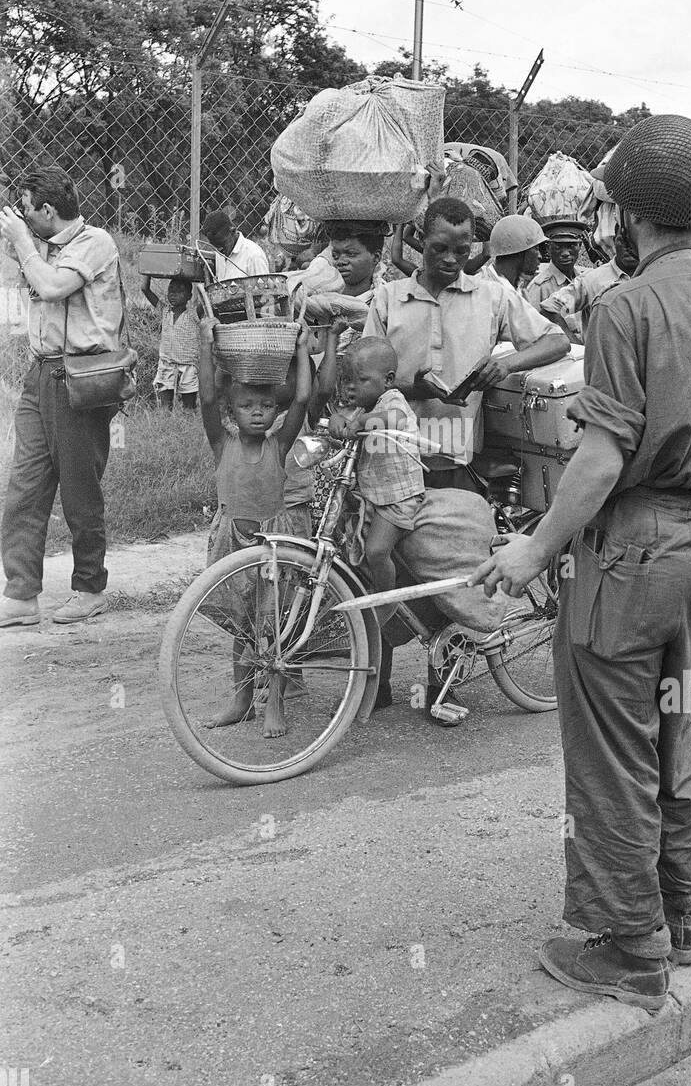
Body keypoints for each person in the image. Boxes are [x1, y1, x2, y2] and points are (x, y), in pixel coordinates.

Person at [470, 114, 691, 1012]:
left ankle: (629, 949)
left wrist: (529, 549)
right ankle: (680, 917)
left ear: (625, 210)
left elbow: (597, 459)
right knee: (673, 728)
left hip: (629, 553)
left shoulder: (624, 305)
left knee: (610, 751)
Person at [363, 196, 569, 492]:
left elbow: (556, 341)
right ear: (421, 240)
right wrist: (412, 388)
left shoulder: (492, 297)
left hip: (456, 456)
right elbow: (365, 379)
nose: (451, 260)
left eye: (461, 251)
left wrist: (505, 364)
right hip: (391, 451)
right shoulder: (388, 299)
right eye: (439, 249)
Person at [0, 167, 126, 628]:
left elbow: (53, 286)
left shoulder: (96, 242)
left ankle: (90, 588)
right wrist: (22, 242)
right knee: (25, 487)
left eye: (28, 209)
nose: (24, 218)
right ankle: (20, 595)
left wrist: (21, 242)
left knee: (79, 488)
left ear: (48, 210)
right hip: (41, 374)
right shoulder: (45, 248)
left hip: (81, 374)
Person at [197, 313, 312, 737]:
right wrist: (206, 345)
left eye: (265, 406)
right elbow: (207, 399)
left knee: (276, 623)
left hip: (273, 540)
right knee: (241, 623)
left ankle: (275, 701)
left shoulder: (278, 445)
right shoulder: (221, 442)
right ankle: (242, 697)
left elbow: (301, 400)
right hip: (232, 539)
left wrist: (301, 350)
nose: (258, 414)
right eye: (247, 406)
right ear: (233, 411)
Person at [330, 338, 425, 625]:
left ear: (388, 380)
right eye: (346, 380)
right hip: (375, 493)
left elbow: (394, 420)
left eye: (360, 380)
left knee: (377, 550)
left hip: (399, 496)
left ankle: (386, 601)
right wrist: (337, 421)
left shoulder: (392, 400)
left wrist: (359, 423)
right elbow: (344, 422)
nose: (350, 387)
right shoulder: (362, 407)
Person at [540, 229, 636, 343]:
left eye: (634, 241)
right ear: (614, 242)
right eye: (622, 241)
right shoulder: (593, 280)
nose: (628, 247)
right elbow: (550, 308)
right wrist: (574, 344)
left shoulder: (651, 273)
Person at [140, 273, 200, 410]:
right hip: (166, 364)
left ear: (189, 296)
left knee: (189, 407)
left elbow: (207, 299)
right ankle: (166, 425)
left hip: (188, 365)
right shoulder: (164, 311)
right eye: (171, 290)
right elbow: (145, 289)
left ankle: (187, 427)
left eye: (179, 291)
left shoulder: (194, 314)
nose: (173, 294)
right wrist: (147, 271)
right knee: (165, 406)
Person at [485, 214, 545, 292]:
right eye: (536, 249)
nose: (540, 256)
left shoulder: (514, 288)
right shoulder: (488, 290)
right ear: (519, 251)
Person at [202, 211, 269, 281]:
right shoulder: (221, 255)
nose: (219, 251)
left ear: (232, 231)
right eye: (216, 247)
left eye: (223, 244)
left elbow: (264, 289)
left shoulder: (253, 255)